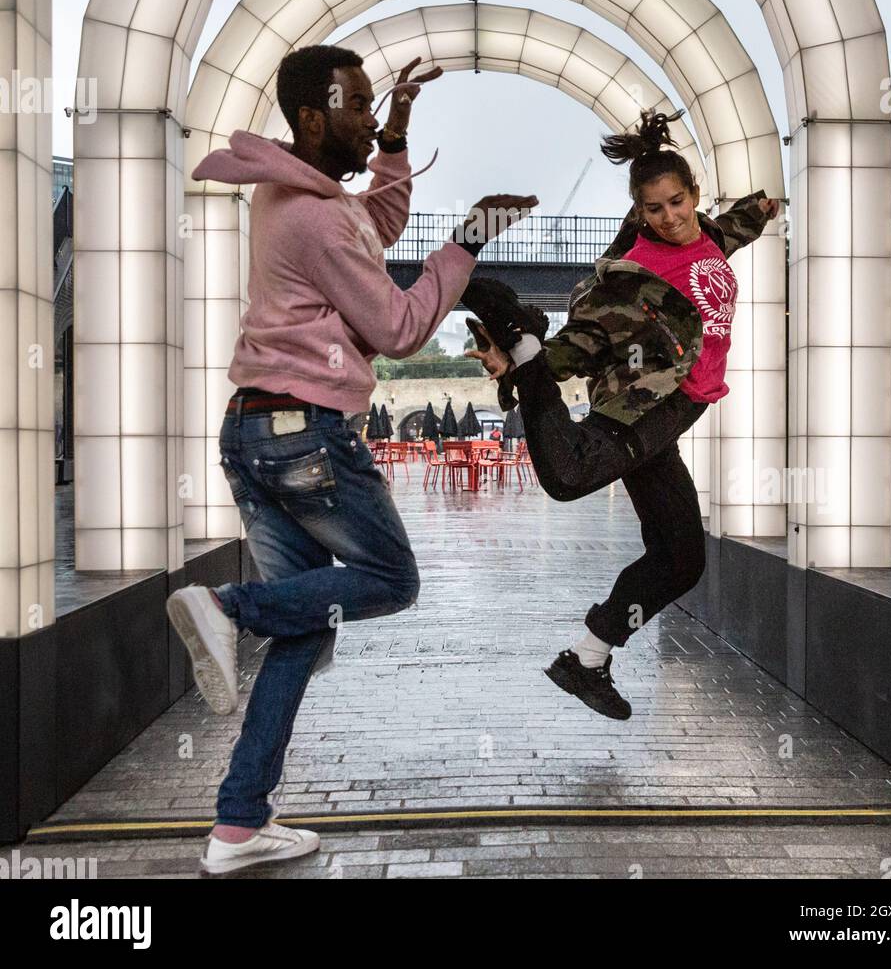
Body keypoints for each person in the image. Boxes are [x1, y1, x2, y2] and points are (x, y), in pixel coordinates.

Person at [166, 43, 536, 874]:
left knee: (306, 625)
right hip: (308, 434)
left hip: (252, 431)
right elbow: (400, 329)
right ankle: (227, 608)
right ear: (311, 115)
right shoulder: (320, 214)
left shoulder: (288, 193)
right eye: (360, 104)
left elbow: (375, 225)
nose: (370, 117)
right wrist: (466, 245)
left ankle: (237, 824)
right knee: (391, 581)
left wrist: (400, 133)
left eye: (376, 103)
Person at [464, 110, 779, 722]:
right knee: (568, 476)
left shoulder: (707, 233)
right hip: (646, 404)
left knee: (682, 559)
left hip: (677, 416)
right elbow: (584, 341)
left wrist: (760, 209)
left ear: (693, 195)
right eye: (654, 209)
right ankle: (516, 333)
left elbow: (728, 231)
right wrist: (525, 363)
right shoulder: (633, 272)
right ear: (638, 212)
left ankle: (586, 658)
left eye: (677, 202)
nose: (669, 217)